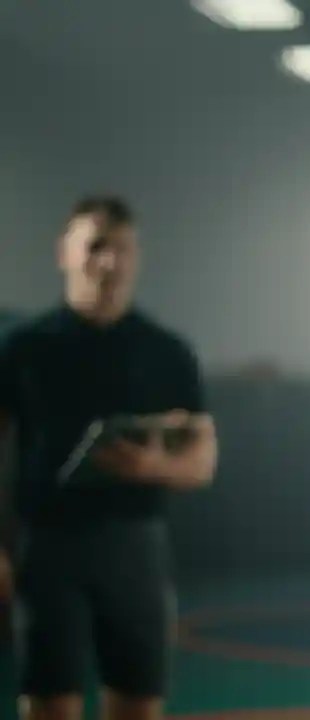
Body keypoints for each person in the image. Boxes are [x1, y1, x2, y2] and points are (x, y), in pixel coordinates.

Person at [0, 196, 218, 720]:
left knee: (138, 698)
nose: (109, 261)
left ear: (136, 257)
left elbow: (203, 461)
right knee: (49, 699)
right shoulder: (24, 347)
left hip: (136, 548)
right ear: (65, 253)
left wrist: (153, 468)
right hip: (48, 545)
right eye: (96, 246)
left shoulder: (167, 351)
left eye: (121, 249)